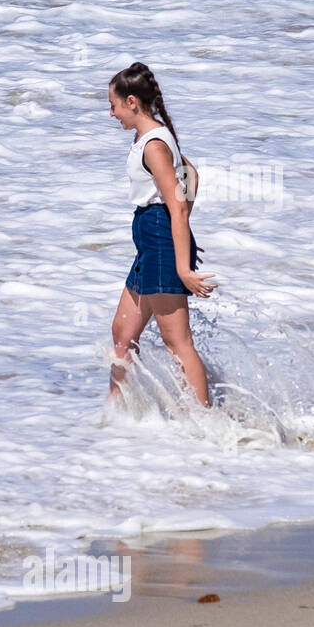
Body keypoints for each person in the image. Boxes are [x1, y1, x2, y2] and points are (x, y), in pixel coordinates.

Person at [106, 62, 216, 407]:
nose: (112, 114)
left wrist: (181, 263)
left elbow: (178, 206)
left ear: (133, 102)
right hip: (153, 241)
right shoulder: (151, 136)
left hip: (157, 236)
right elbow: (192, 175)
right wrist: (178, 240)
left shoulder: (153, 144)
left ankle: (203, 421)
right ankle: (116, 413)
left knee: (177, 341)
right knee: (122, 334)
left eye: (114, 105)